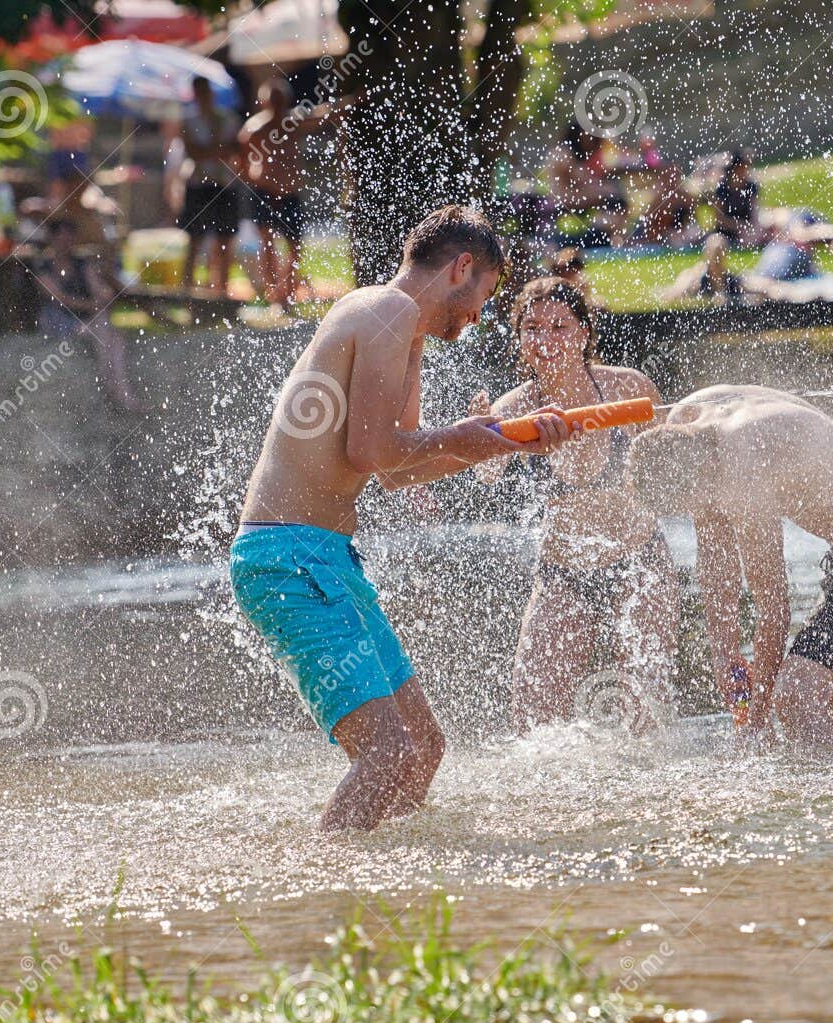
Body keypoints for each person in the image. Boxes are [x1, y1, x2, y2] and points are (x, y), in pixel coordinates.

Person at [230, 206, 572, 832]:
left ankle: (394, 879)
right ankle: (321, 889)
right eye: (485, 295)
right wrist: (470, 437)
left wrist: (499, 444)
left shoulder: (404, 329)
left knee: (422, 748)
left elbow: (394, 470)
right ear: (460, 268)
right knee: (388, 753)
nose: (479, 316)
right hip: (287, 557)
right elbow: (372, 451)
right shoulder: (383, 312)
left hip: (322, 556)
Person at [624, 384, 833, 748]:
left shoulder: (745, 472)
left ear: (708, 473)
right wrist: (724, 653)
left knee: (797, 700)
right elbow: (716, 561)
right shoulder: (687, 418)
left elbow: (774, 608)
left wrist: (756, 720)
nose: (701, 513)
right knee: (813, 702)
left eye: (693, 503)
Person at [468, 277, 677, 734]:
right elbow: (485, 475)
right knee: (531, 715)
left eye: (560, 326)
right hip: (563, 572)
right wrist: (480, 434)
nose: (546, 339)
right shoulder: (514, 409)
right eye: (533, 328)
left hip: (638, 564)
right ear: (520, 340)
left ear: (584, 333)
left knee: (645, 715)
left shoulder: (627, 389)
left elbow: (671, 470)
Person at [239, 79, 345, 308]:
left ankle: (286, 291)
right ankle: (274, 293)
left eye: (280, 100)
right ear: (264, 102)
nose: (277, 105)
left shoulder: (293, 122)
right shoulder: (255, 128)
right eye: (273, 100)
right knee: (267, 244)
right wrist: (256, 177)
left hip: (289, 192)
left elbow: (323, 114)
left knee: (295, 245)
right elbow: (242, 160)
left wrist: (349, 103)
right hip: (265, 192)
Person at [30, 217, 141, 412]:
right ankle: (118, 392)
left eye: (69, 238)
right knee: (105, 332)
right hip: (57, 320)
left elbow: (101, 293)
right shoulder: (42, 267)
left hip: (83, 320)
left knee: (112, 337)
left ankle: (119, 390)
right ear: (52, 239)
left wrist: (105, 293)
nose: (66, 242)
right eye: (62, 238)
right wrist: (92, 305)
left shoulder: (83, 264)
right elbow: (60, 299)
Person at [179, 76, 241, 298]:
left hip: (222, 184)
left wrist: (209, 151)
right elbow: (194, 153)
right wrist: (216, 151)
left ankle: (221, 291)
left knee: (224, 239)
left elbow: (232, 150)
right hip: (199, 185)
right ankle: (188, 291)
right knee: (194, 239)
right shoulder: (189, 120)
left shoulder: (227, 118)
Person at [545, 120, 628, 246]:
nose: (590, 140)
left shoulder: (564, 152)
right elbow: (584, 179)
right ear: (578, 135)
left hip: (570, 200)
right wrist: (604, 189)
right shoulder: (564, 154)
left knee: (613, 197)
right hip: (564, 202)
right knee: (615, 199)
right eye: (588, 136)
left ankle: (609, 235)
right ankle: (611, 237)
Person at [660, 232, 747, 305]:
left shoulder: (730, 279)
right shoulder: (696, 278)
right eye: (715, 254)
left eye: (721, 254)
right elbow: (673, 295)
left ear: (726, 255)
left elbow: (752, 284)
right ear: (706, 254)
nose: (717, 259)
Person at [710, 149, 762, 246]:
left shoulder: (751, 187)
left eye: (746, 168)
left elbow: (755, 212)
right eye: (741, 168)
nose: (744, 172)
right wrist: (738, 225)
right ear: (733, 169)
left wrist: (753, 227)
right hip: (726, 232)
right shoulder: (722, 189)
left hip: (747, 228)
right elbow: (719, 218)